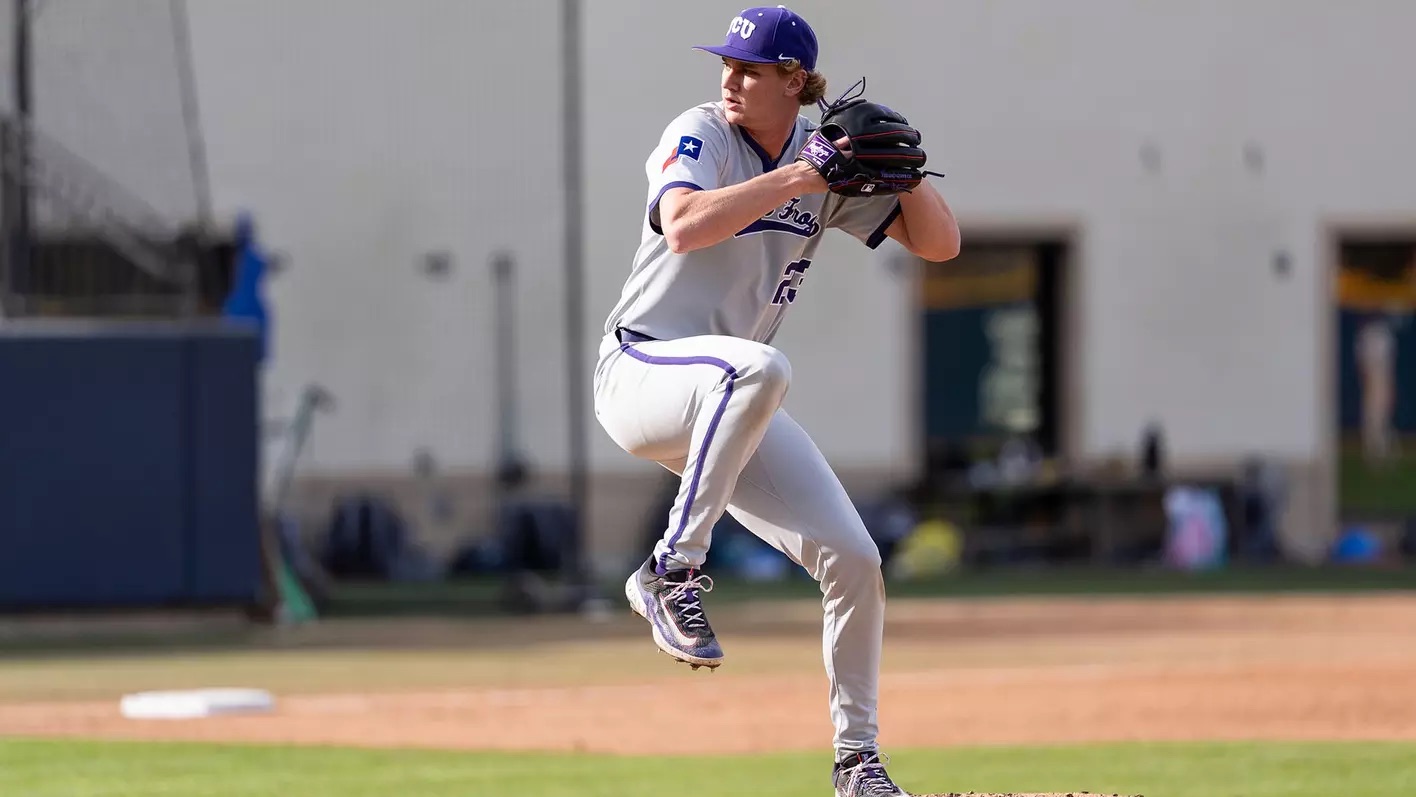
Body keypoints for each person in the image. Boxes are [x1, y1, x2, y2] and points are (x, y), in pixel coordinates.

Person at [591, 6, 959, 796]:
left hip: (729, 404)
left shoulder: (821, 159)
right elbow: (684, 225)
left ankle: (857, 762)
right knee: (759, 367)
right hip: (642, 372)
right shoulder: (703, 131)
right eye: (727, 62)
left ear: (795, 81)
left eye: (751, 68)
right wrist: (806, 174)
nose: (730, 77)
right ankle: (671, 570)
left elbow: (940, 245)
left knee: (856, 560)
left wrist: (906, 172)